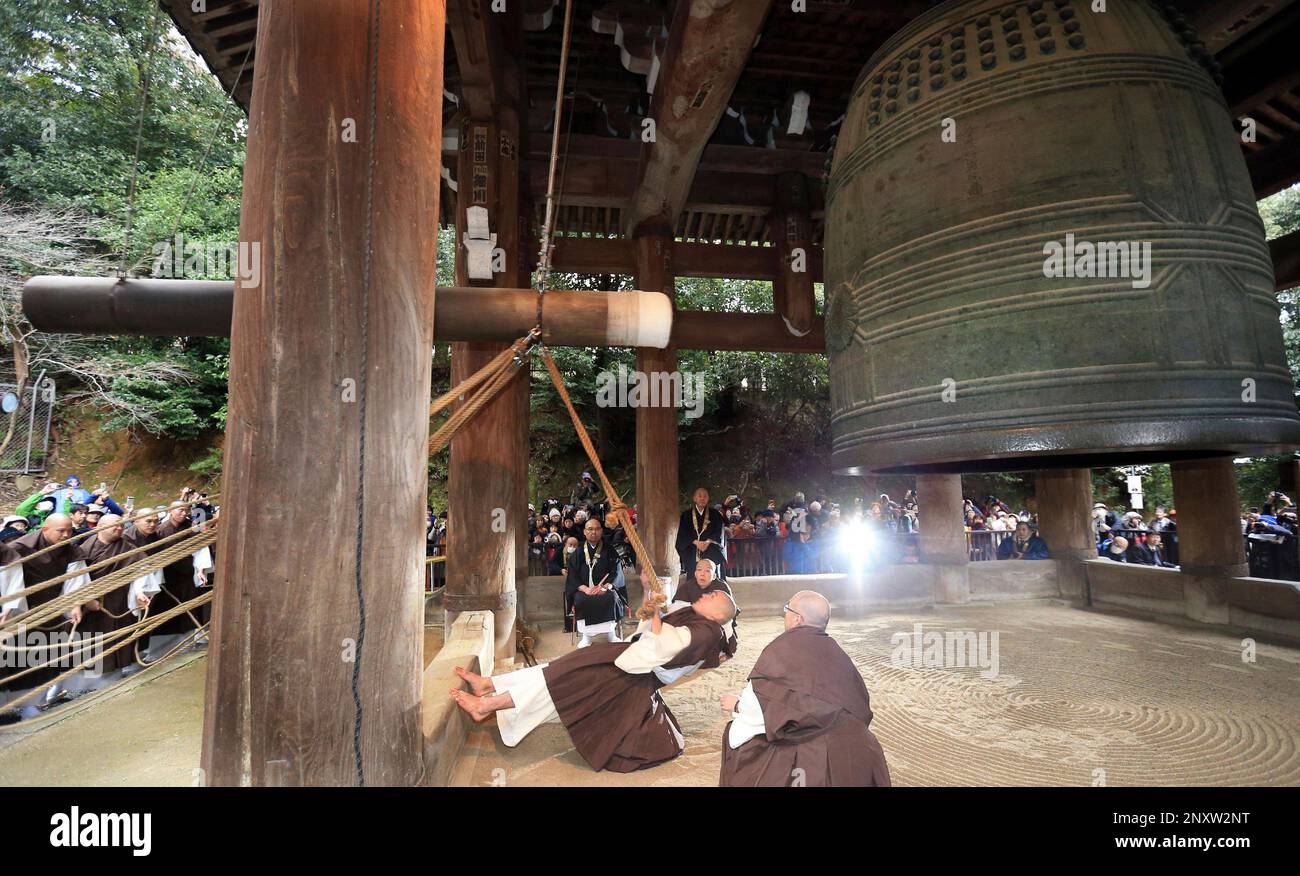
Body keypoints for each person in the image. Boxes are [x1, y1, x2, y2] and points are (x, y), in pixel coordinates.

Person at [449, 576, 738, 773]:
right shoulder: (699, 622)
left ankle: (487, 704)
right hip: (626, 661)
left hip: (631, 673)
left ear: (717, 615)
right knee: (556, 672)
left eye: (715, 596)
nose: (709, 593)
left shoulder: (705, 632)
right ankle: (489, 685)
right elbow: (664, 626)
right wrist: (652, 596)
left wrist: (653, 615)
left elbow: (661, 646)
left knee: (559, 684)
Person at [719, 590, 891, 787]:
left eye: (787, 610)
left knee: (736, 734)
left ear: (797, 619)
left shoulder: (782, 649)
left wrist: (738, 705)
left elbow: (758, 712)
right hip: (860, 751)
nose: (785, 615)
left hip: (813, 759)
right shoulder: (838, 653)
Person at [0, 514, 91, 695]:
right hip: (23, 612)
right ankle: (19, 701)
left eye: (69, 530)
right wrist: (10, 608)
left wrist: (75, 604)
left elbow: (75, 582)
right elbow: (9, 581)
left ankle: (43, 697)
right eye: (61, 531)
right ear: (45, 529)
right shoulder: (19, 548)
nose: (66, 535)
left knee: (49, 656)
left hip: (52, 611)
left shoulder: (72, 551)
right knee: (20, 659)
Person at [77, 514, 155, 675]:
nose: (119, 528)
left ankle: (119, 669)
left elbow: (142, 570)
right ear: (99, 527)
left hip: (120, 598)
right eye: (115, 525)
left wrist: (140, 591)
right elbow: (76, 578)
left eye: (121, 525)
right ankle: (93, 675)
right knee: (94, 637)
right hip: (93, 602)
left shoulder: (127, 548)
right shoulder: (84, 549)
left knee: (121, 634)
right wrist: (85, 599)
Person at [564, 517, 625, 645]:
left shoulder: (610, 551)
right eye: (590, 529)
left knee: (611, 598)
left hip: (605, 589)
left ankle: (611, 634)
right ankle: (586, 637)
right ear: (585, 532)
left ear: (601, 531)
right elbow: (573, 575)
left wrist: (605, 587)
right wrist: (585, 589)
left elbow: (617, 571)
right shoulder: (578, 552)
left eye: (597, 529)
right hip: (584, 590)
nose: (594, 532)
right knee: (581, 600)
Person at [675, 487, 727, 577]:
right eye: (699, 496)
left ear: (708, 498)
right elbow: (682, 533)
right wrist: (696, 542)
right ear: (694, 498)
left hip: (710, 549)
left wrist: (708, 542)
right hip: (693, 550)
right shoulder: (686, 515)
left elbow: (720, 531)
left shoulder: (715, 514)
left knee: (712, 575)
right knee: (693, 577)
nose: (702, 498)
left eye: (705, 496)